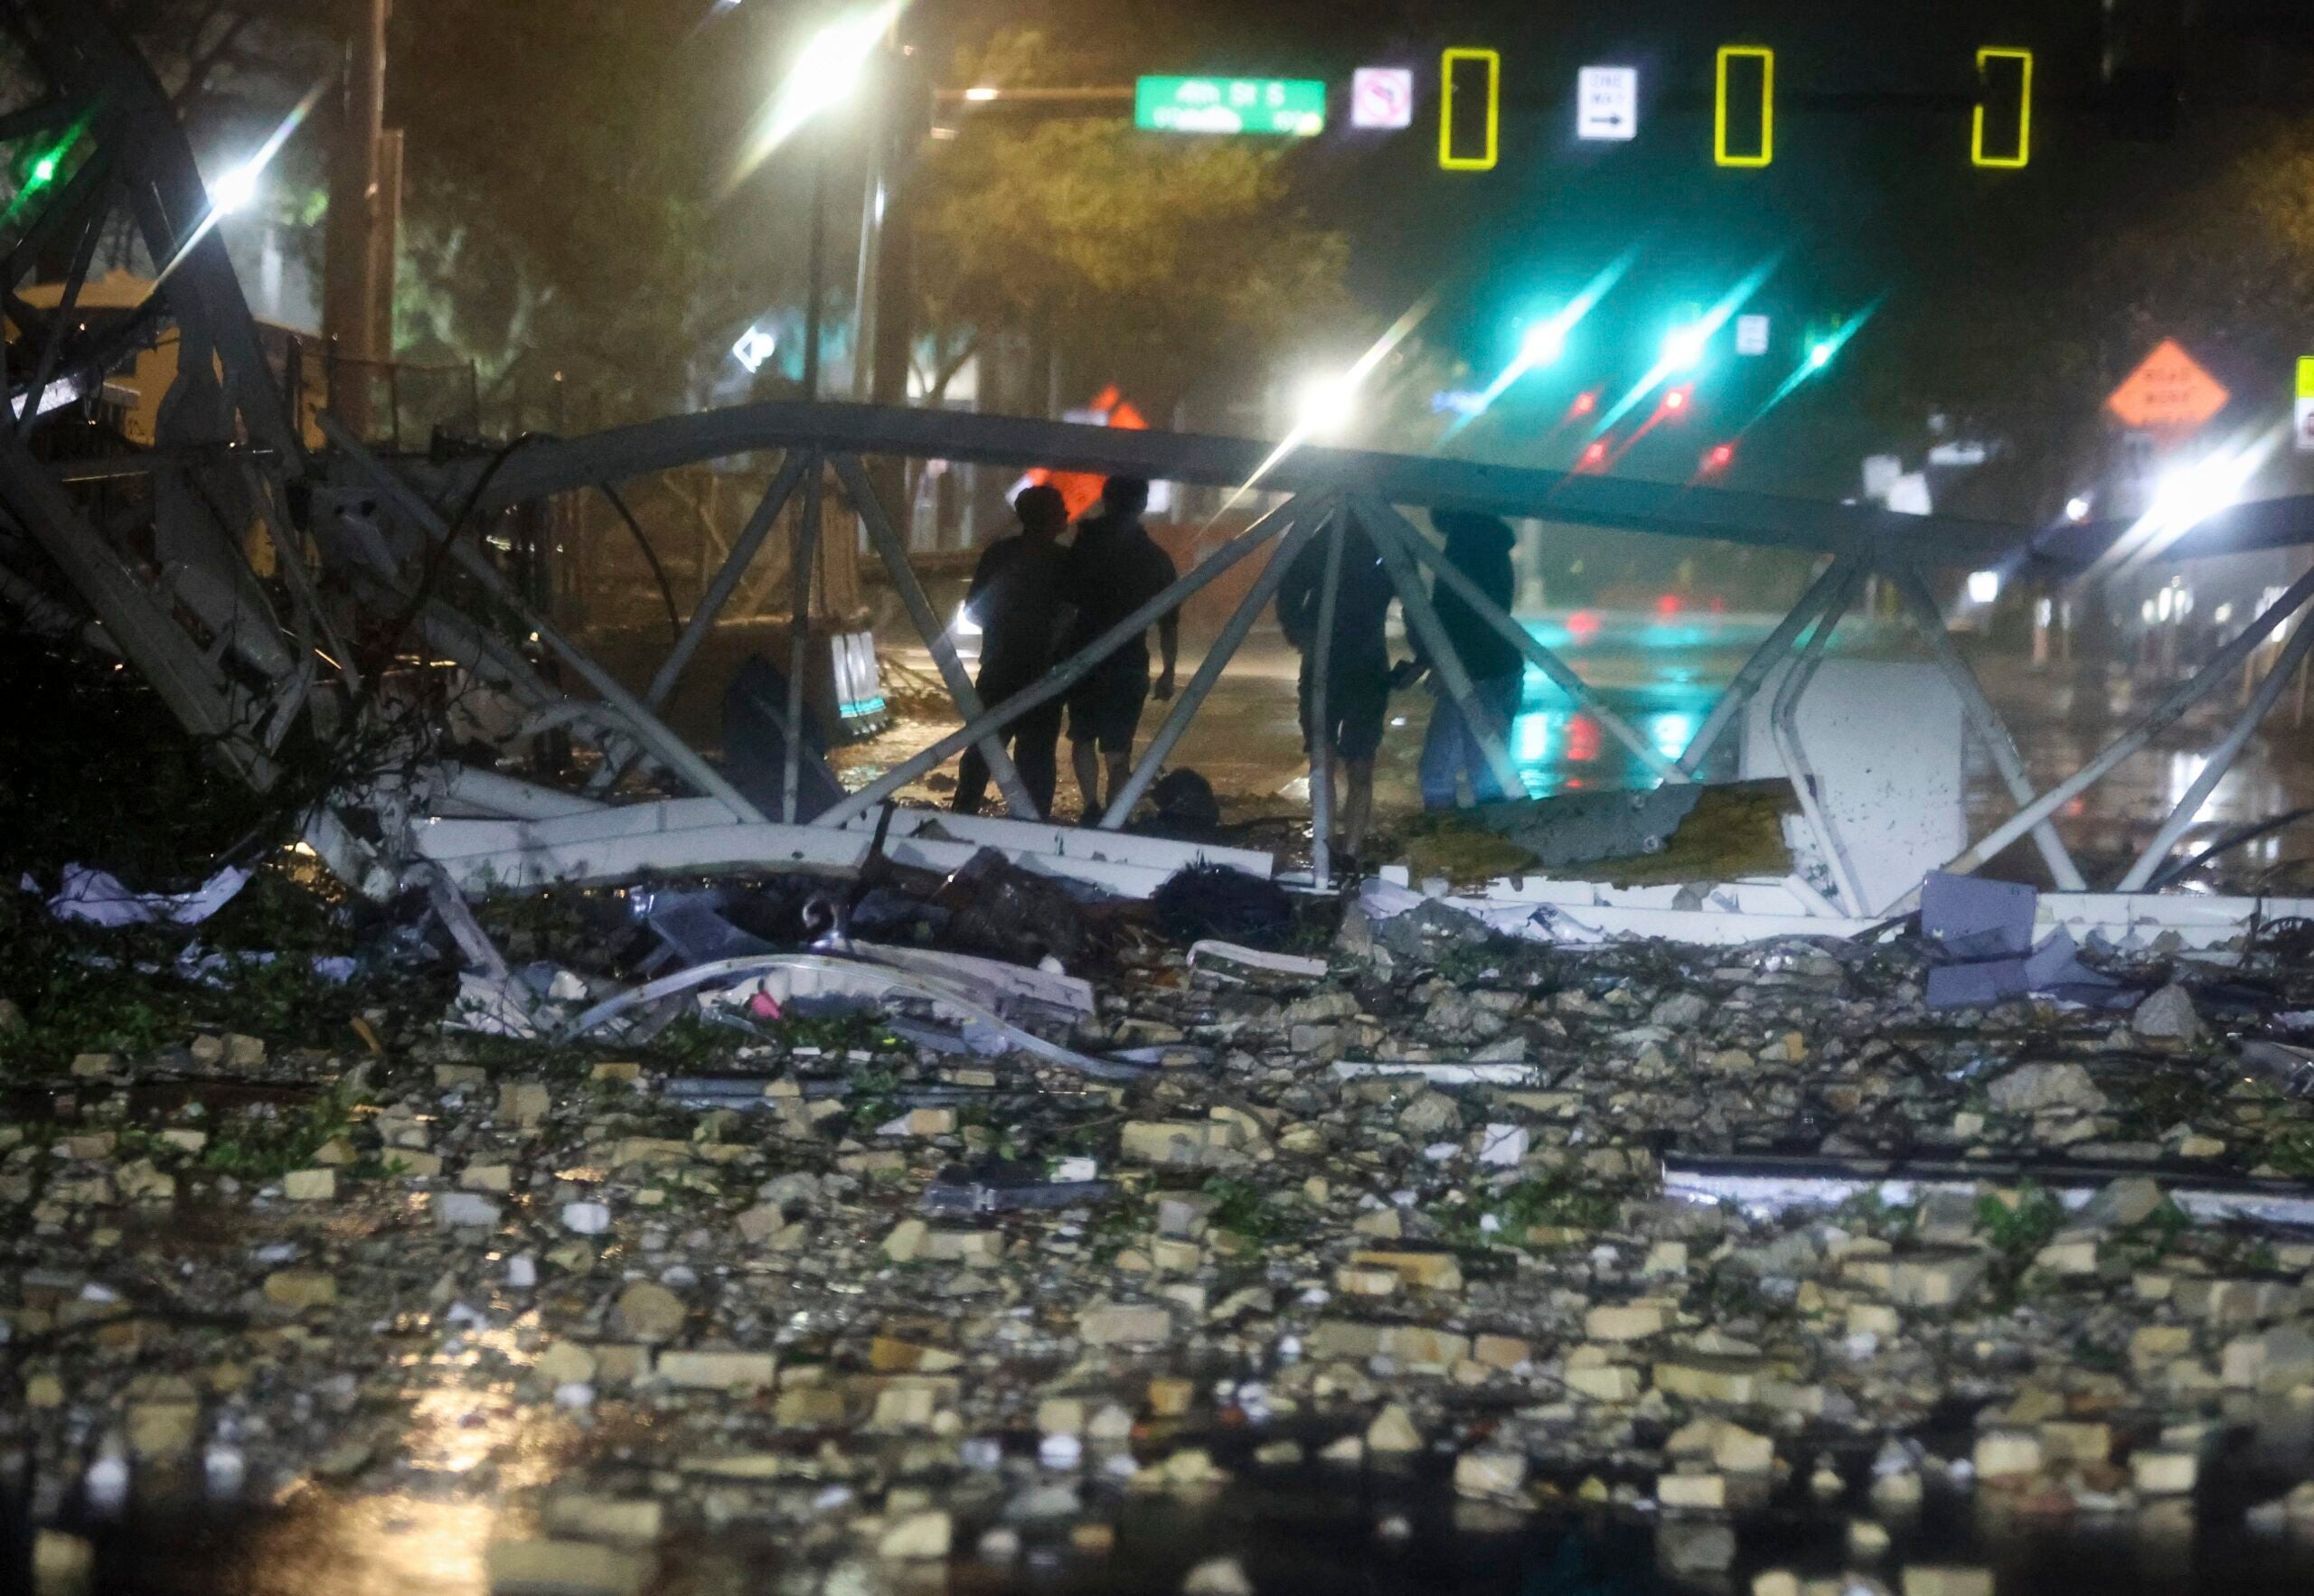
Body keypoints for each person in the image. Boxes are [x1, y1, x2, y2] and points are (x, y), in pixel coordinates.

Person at [1277, 520, 1398, 864]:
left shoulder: (1340, 537)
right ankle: (1337, 852)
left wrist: (1298, 629)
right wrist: (1298, 629)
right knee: (1341, 762)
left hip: (1350, 664)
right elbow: (1292, 584)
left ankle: (1336, 853)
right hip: (1351, 663)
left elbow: (1291, 584)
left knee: (1337, 761)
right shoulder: (1373, 538)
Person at [1058, 476, 1178, 817]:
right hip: (1128, 663)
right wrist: (1168, 670)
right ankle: (1114, 815)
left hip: (1084, 657)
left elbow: (1066, 607)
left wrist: (1055, 653)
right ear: (1142, 505)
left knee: (1083, 737)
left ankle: (1090, 807)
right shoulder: (1154, 557)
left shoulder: (1084, 548)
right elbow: (1169, 621)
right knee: (1118, 750)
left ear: (1106, 501)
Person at [951, 484, 1070, 817]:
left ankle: (964, 813)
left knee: (984, 748)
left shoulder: (998, 555)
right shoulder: (1065, 562)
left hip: (999, 668)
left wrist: (1004, 625)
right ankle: (1033, 823)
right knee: (1037, 757)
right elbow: (1073, 615)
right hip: (1045, 676)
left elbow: (974, 611)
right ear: (1049, 517)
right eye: (1061, 508)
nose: (1067, 514)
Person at [1414, 511, 1524, 809]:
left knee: (1450, 775)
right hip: (1491, 667)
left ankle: (1467, 833)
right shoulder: (1487, 544)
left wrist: (1445, 662)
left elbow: (1461, 615)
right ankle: (1487, 831)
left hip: (1479, 671)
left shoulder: (1466, 545)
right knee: (1480, 774)